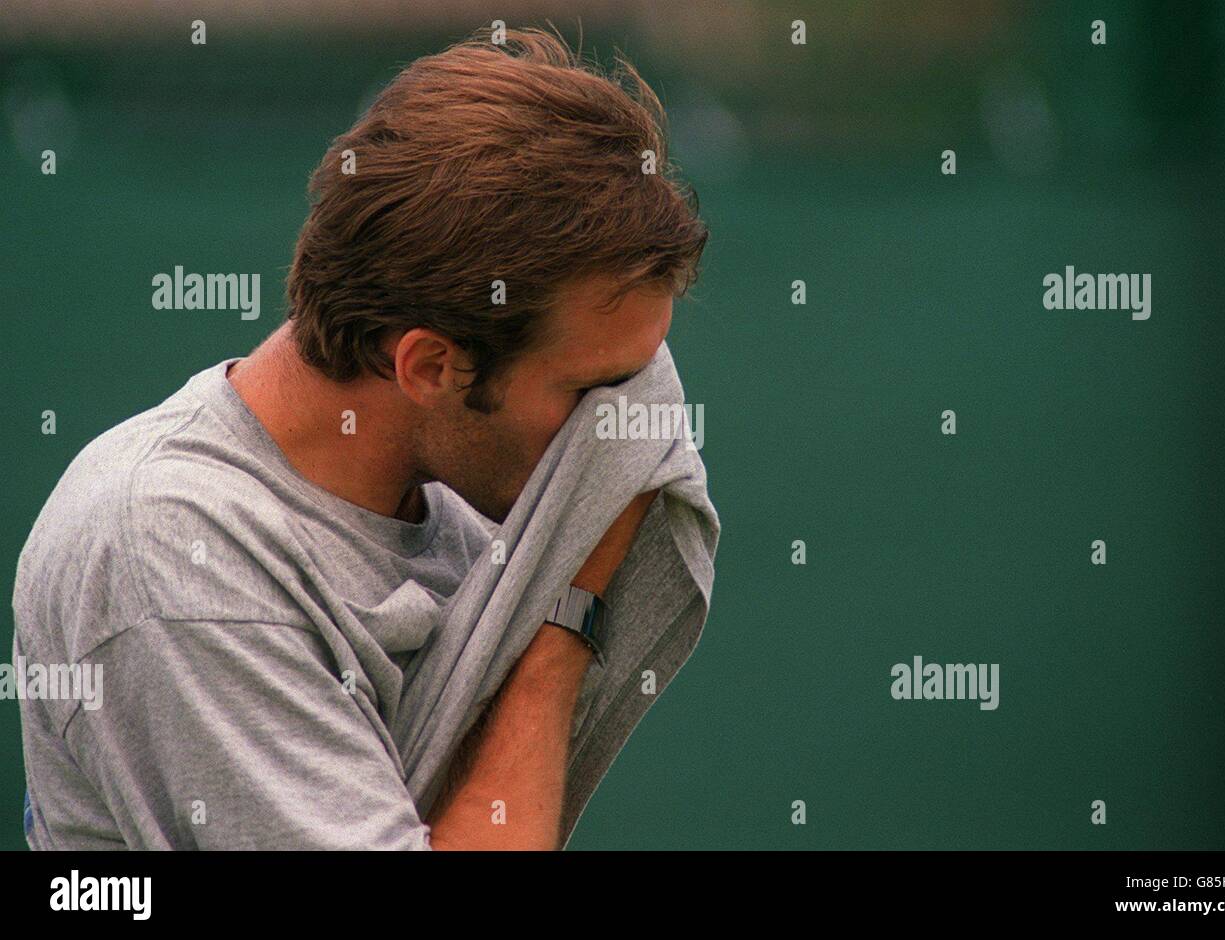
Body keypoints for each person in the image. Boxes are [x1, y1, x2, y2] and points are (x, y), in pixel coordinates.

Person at [13, 25, 708, 850]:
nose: (622, 430)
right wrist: (566, 625)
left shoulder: (463, 505)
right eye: (591, 393)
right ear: (427, 367)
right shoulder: (168, 552)